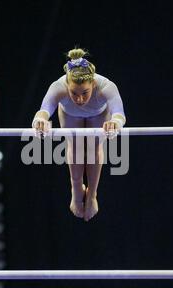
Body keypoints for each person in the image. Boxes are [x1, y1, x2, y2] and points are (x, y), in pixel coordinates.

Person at [32, 48, 126, 222]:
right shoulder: (58, 87)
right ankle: (76, 191)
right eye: (74, 93)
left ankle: (91, 195)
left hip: (99, 113)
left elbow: (119, 113)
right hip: (69, 114)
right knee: (74, 147)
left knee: (94, 146)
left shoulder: (106, 86)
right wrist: (40, 121)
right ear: (67, 85)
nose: (80, 99)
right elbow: (43, 111)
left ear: (93, 85)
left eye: (85, 93)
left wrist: (116, 123)